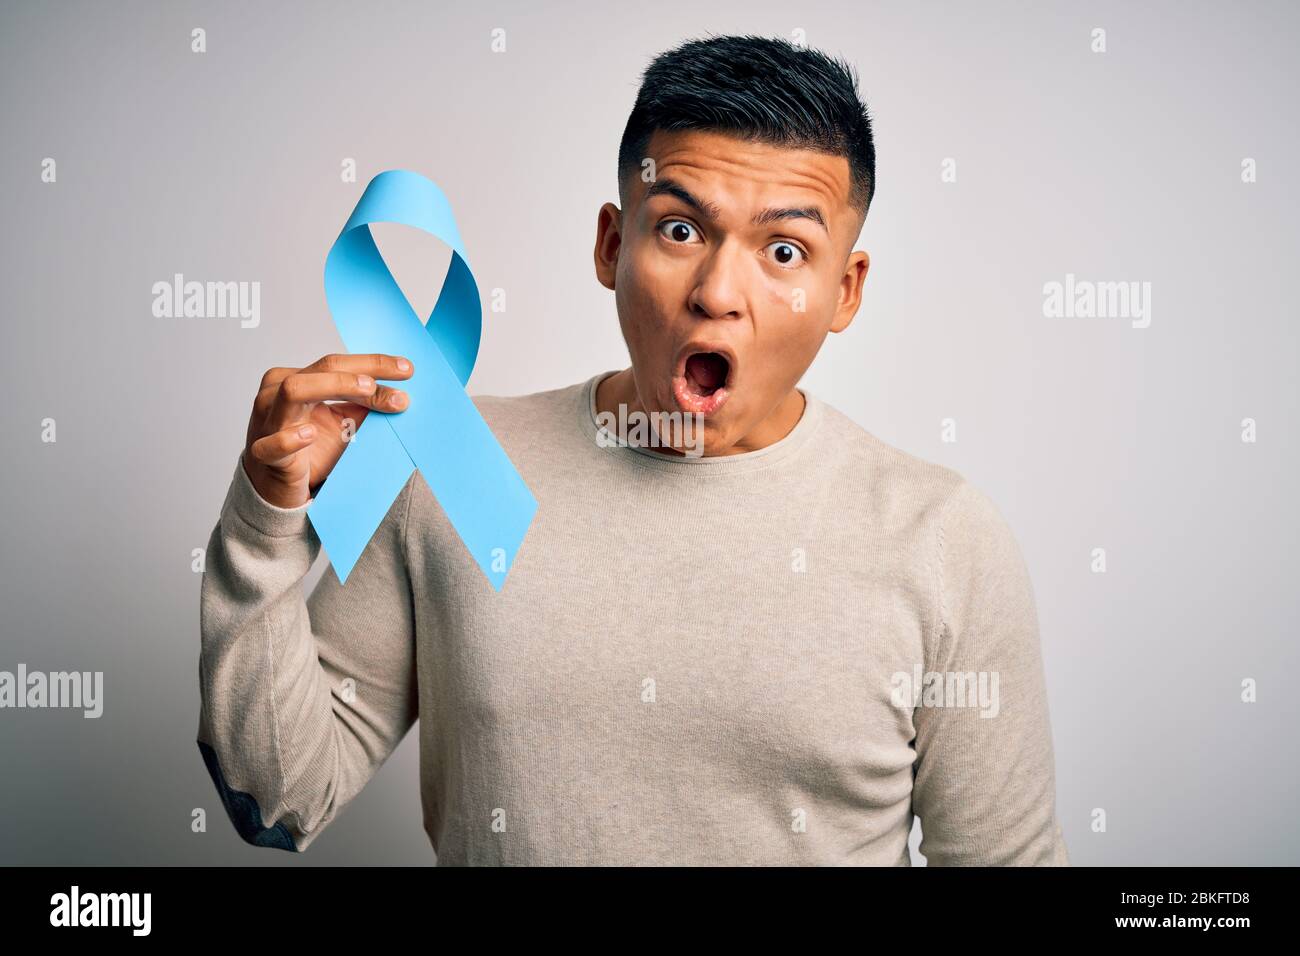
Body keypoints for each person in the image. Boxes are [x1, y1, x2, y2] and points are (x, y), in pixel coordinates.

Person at [198, 34, 1069, 865]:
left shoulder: (941, 539)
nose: (719, 292)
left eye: (784, 250)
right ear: (613, 245)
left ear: (844, 291)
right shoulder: (458, 468)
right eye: (682, 231)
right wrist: (267, 521)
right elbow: (276, 799)